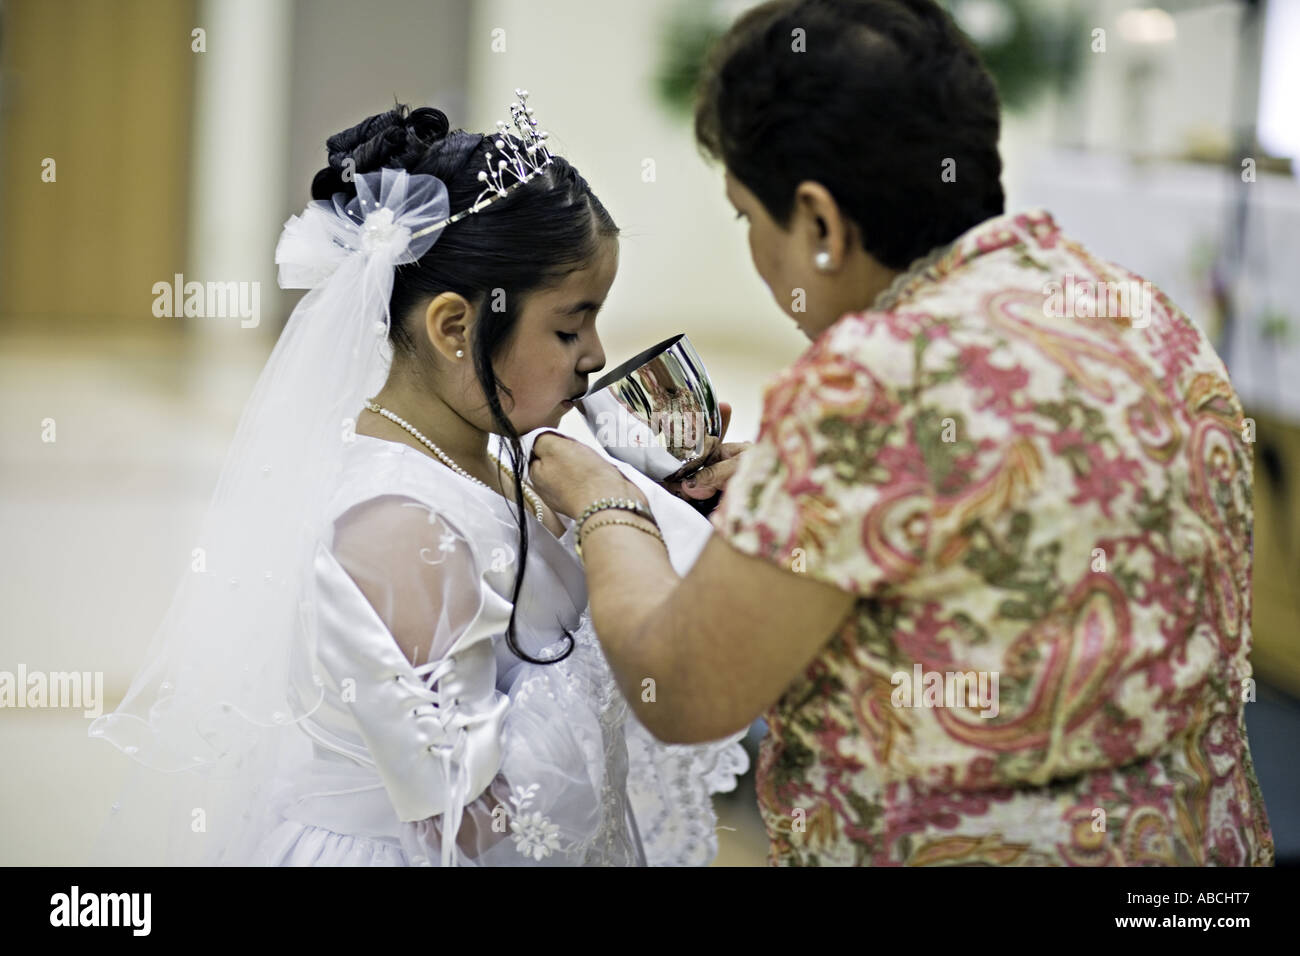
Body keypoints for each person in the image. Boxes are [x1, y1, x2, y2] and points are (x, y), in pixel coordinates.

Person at [527, 0, 1275, 866]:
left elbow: (685, 689)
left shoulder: (867, 384)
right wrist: (796, 499)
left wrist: (606, 503)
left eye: (747, 218)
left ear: (818, 223)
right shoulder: (1148, 317)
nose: (754, 250)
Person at [88, 96, 746, 867]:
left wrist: (674, 508)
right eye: (570, 326)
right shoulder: (398, 523)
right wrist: (616, 555)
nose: (596, 355)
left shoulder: (487, 452)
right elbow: (470, 817)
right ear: (455, 327)